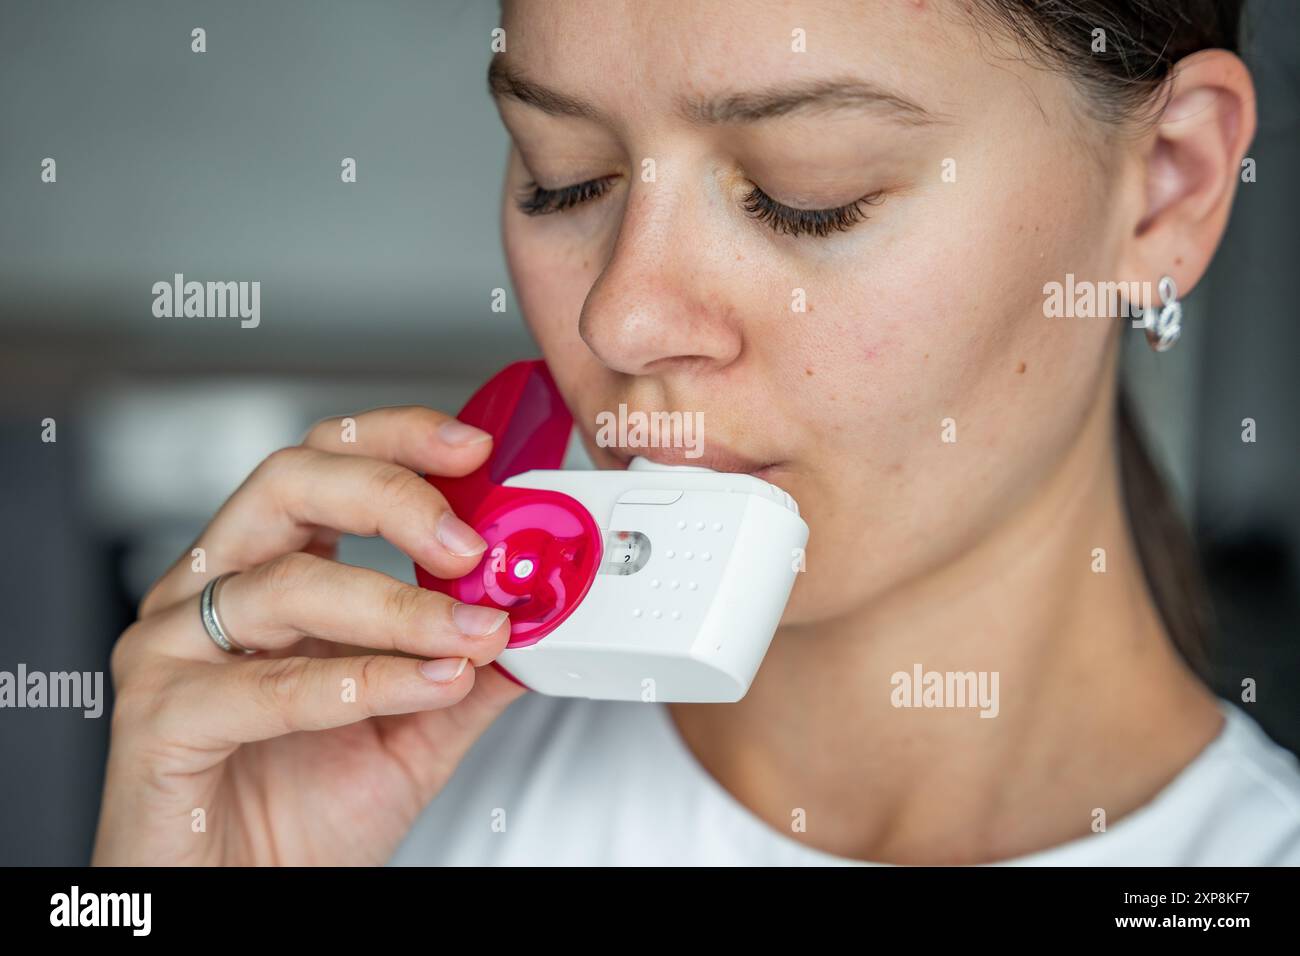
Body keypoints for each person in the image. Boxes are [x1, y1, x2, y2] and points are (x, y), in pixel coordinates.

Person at [93, 0, 1300, 866]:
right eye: (561, 176)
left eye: (803, 194)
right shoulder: (365, 789)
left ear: (1168, 187)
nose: (619, 315)